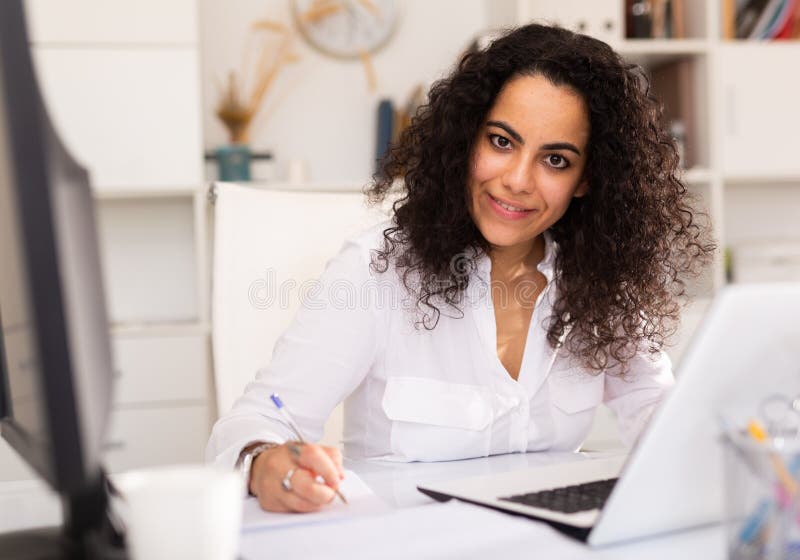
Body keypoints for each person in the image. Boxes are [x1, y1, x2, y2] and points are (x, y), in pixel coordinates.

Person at [206, 23, 715, 514]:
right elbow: (259, 420)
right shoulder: (378, 271)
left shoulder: (599, 281)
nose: (517, 180)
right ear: (465, 140)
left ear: (587, 178)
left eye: (555, 160)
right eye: (501, 141)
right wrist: (267, 462)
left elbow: (658, 410)